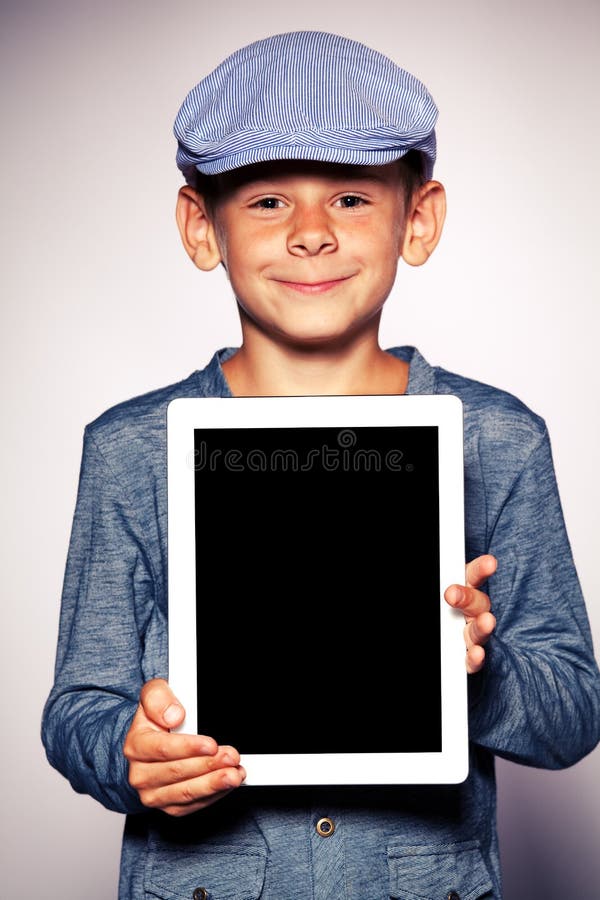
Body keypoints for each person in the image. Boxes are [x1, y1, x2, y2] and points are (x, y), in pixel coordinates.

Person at [42, 30, 600, 899]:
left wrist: (479, 673)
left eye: (349, 198)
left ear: (418, 219)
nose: (310, 235)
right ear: (201, 225)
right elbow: (79, 704)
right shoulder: (130, 449)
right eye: (266, 201)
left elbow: (572, 713)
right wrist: (131, 754)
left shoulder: (498, 439)